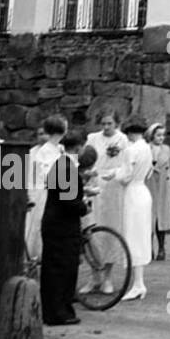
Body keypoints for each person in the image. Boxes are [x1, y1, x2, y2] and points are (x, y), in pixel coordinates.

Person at [40, 117, 96, 327]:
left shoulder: (63, 165)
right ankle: (58, 312)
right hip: (61, 226)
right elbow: (68, 200)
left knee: (58, 268)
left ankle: (56, 310)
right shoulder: (65, 166)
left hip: (58, 223)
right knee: (61, 270)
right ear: (79, 147)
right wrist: (84, 206)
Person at [103, 118, 153, 300]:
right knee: (139, 235)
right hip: (143, 191)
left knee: (133, 236)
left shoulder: (131, 150)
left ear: (130, 133)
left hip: (133, 193)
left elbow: (126, 176)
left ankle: (138, 283)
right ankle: (138, 281)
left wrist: (113, 175)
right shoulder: (146, 148)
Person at [84, 108, 127, 292]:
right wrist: (88, 172)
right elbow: (85, 158)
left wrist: (113, 173)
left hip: (113, 189)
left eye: (110, 123)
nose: (106, 127)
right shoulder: (93, 138)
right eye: (103, 123)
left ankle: (108, 277)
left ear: (116, 123)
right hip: (94, 185)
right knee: (92, 232)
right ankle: (94, 276)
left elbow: (124, 165)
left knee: (110, 230)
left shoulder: (122, 139)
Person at [24, 119, 63, 265]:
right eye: (40, 134)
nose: (43, 137)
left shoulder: (59, 150)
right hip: (34, 191)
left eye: (45, 133)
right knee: (32, 227)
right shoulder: (30, 153)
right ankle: (32, 258)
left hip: (50, 192)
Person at [145, 123, 170, 261]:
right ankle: (149, 248)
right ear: (152, 135)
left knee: (161, 218)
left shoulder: (167, 149)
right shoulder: (146, 148)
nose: (161, 138)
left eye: (163, 135)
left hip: (164, 187)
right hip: (150, 185)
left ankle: (162, 248)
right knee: (149, 218)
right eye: (158, 135)